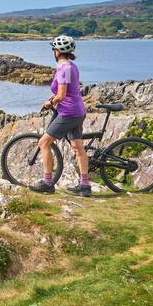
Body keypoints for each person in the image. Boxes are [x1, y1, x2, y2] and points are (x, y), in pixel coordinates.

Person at [31, 35, 91, 197]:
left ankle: (48, 182)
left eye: (54, 49)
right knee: (78, 148)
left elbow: (62, 94)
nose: (53, 51)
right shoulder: (72, 66)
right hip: (78, 111)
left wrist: (50, 102)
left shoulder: (64, 69)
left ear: (58, 52)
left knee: (43, 143)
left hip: (68, 113)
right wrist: (55, 99)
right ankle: (84, 185)